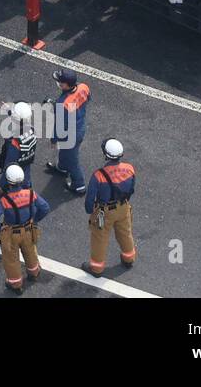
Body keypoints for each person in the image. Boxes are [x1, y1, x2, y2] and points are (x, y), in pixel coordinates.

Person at [0, 163, 50, 294]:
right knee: (30, 252)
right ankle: (34, 273)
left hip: (11, 233)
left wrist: (0, 229)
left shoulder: (4, 200)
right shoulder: (30, 194)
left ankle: (16, 285)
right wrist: (35, 220)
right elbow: (45, 207)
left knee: (11, 259)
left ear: (8, 181)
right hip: (28, 229)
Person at [83, 138, 138, 277]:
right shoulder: (130, 169)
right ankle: (128, 258)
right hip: (123, 207)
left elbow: (90, 199)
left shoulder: (98, 176)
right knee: (125, 233)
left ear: (106, 155)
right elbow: (131, 188)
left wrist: (90, 211)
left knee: (100, 238)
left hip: (105, 212)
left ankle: (96, 268)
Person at [46, 68, 91, 193]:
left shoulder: (62, 104)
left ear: (67, 84)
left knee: (73, 160)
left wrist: (53, 140)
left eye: (61, 82)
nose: (59, 83)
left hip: (71, 134)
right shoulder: (83, 87)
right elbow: (85, 99)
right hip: (79, 126)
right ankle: (62, 168)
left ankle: (79, 185)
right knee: (65, 152)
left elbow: (59, 127)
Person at [0, 101, 37, 188]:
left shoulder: (14, 142)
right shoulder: (32, 130)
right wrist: (8, 110)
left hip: (15, 175)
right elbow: (20, 120)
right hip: (26, 167)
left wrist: (0, 185)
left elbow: (9, 167)